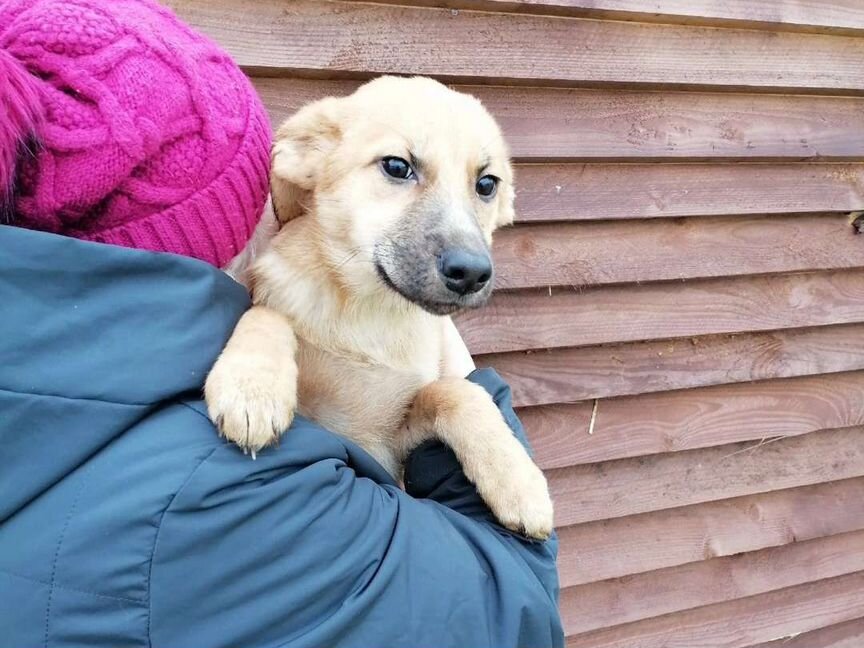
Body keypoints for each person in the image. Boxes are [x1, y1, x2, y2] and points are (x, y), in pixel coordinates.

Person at [0, 1, 564, 647]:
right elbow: (512, 613)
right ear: (299, 167)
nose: (467, 245)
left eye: (485, 186)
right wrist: (267, 330)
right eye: (400, 169)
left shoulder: (85, 407)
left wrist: (459, 401)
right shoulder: (215, 505)